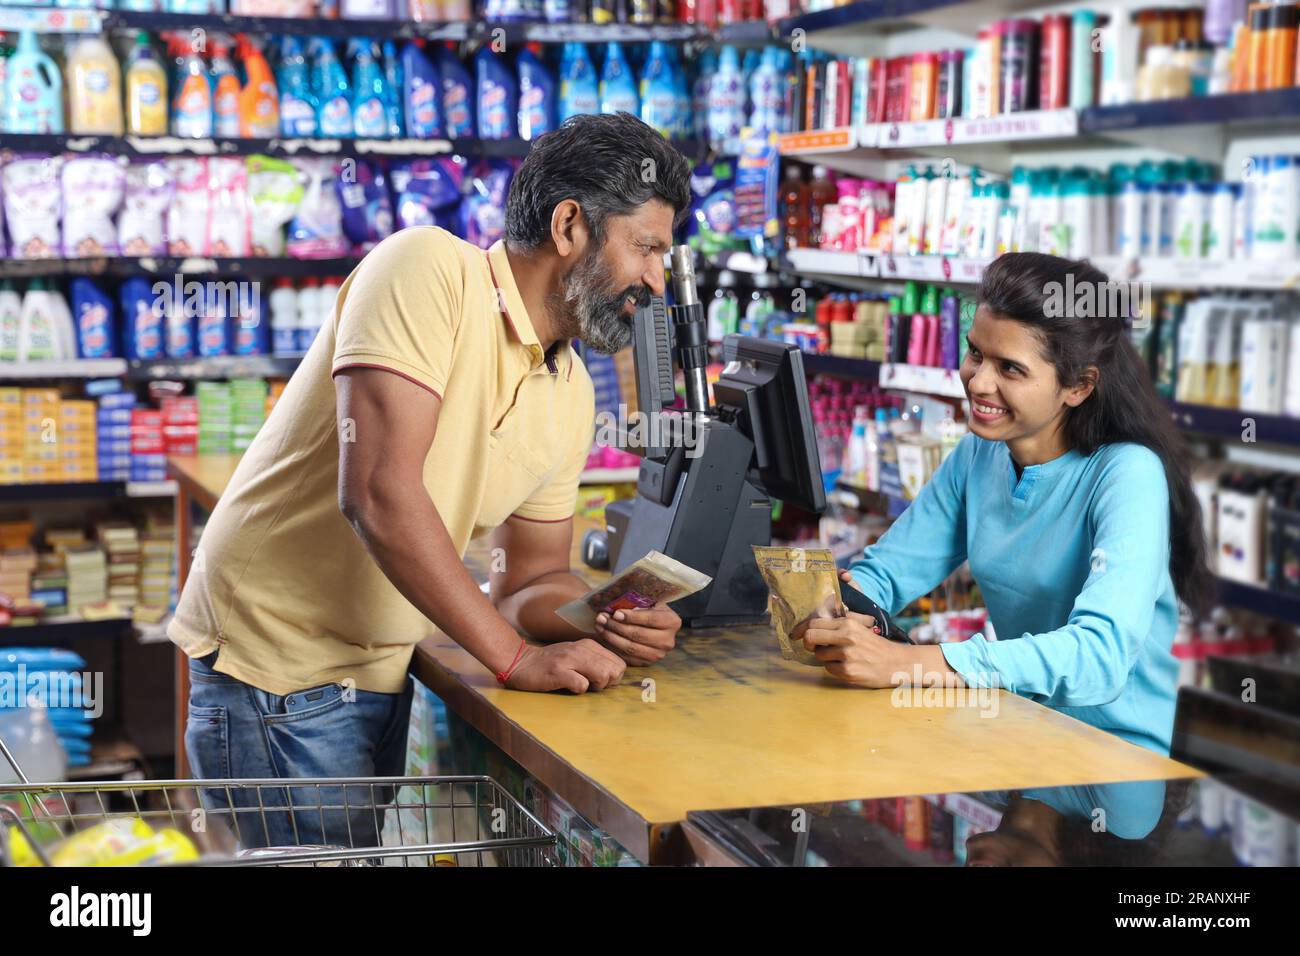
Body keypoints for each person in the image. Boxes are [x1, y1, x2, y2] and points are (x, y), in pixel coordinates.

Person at [170, 114, 693, 845]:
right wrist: (515, 660)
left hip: (378, 674)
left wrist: (607, 616)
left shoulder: (569, 389)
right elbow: (378, 493)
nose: (656, 279)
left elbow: (529, 579)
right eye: (647, 247)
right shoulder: (427, 270)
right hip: (277, 671)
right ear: (570, 225)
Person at [794, 253, 1211, 757]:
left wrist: (907, 664)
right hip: (1016, 731)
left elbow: (1100, 656)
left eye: (1010, 368)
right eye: (975, 353)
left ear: (1079, 385)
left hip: (1113, 761)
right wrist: (832, 611)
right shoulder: (982, 452)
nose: (978, 382)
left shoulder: (1126, 473)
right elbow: (889, 571)